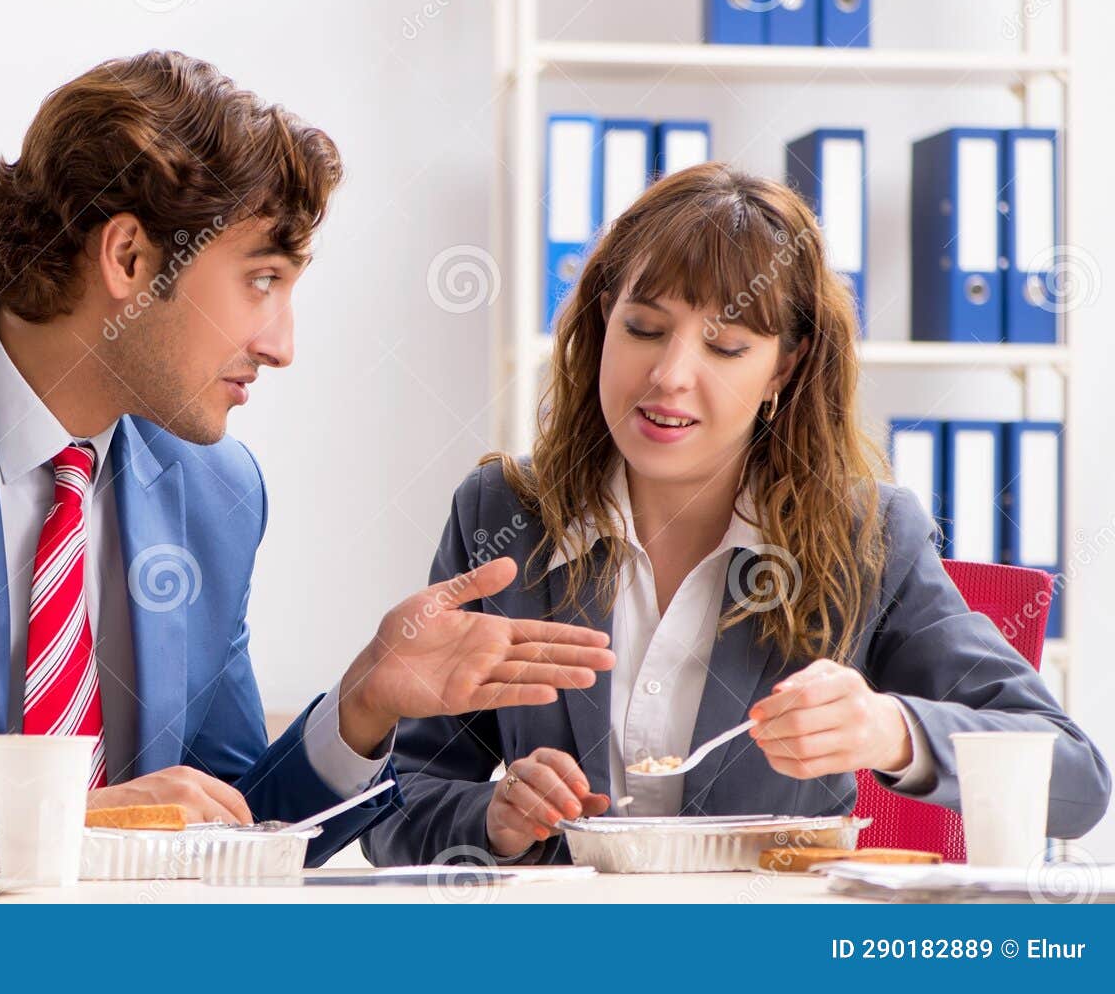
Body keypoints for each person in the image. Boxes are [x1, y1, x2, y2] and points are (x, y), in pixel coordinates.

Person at [0, 51, 615, 865]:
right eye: (262, 281)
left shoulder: (214, 491)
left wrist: (361, 704)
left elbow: (229, 819)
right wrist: (53, 822)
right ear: (128, 259)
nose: (282, 344)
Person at [362, 162, 1110, 865]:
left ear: (782, 367)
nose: (668, 376)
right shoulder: (504, 516)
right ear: (602, 321)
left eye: (724, 346)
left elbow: (1075, 780)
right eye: (644, 329)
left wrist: (891, 730)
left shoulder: (867, 537)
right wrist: (491, 819)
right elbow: (396, 804)